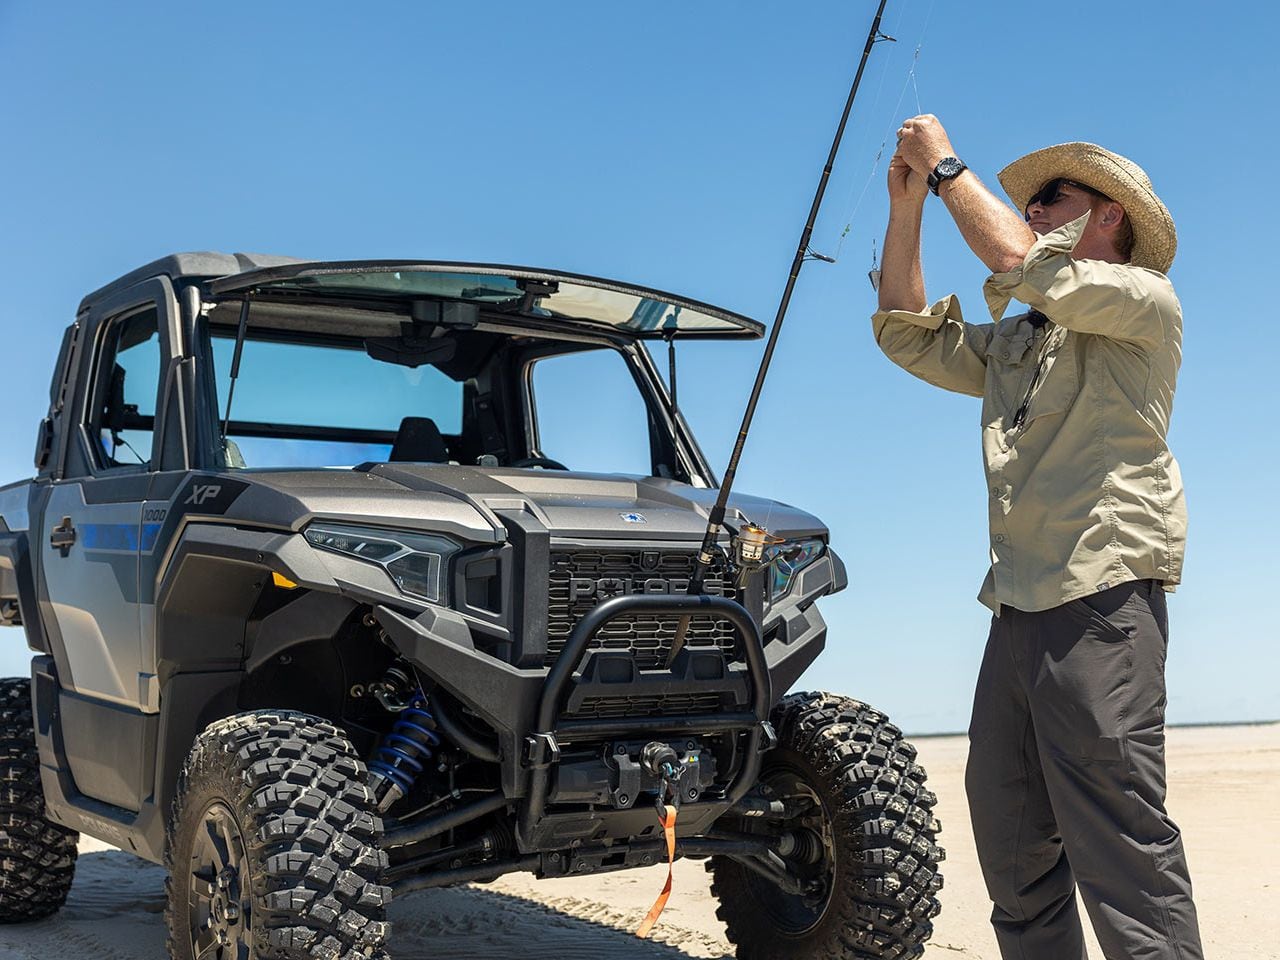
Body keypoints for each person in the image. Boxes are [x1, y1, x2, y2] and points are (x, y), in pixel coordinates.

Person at [872, 115, 1203, 960]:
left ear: (1108, 216)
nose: (1034, 206)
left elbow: (1020, 262)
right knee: (1014, 852)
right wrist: (906, 206)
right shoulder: (1023, 338)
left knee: (1123, 853)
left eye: (1052, 195)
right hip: (1017, 612)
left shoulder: (1143, 304)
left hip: (1101, 604)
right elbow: (909, 335)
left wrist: (945, 166)